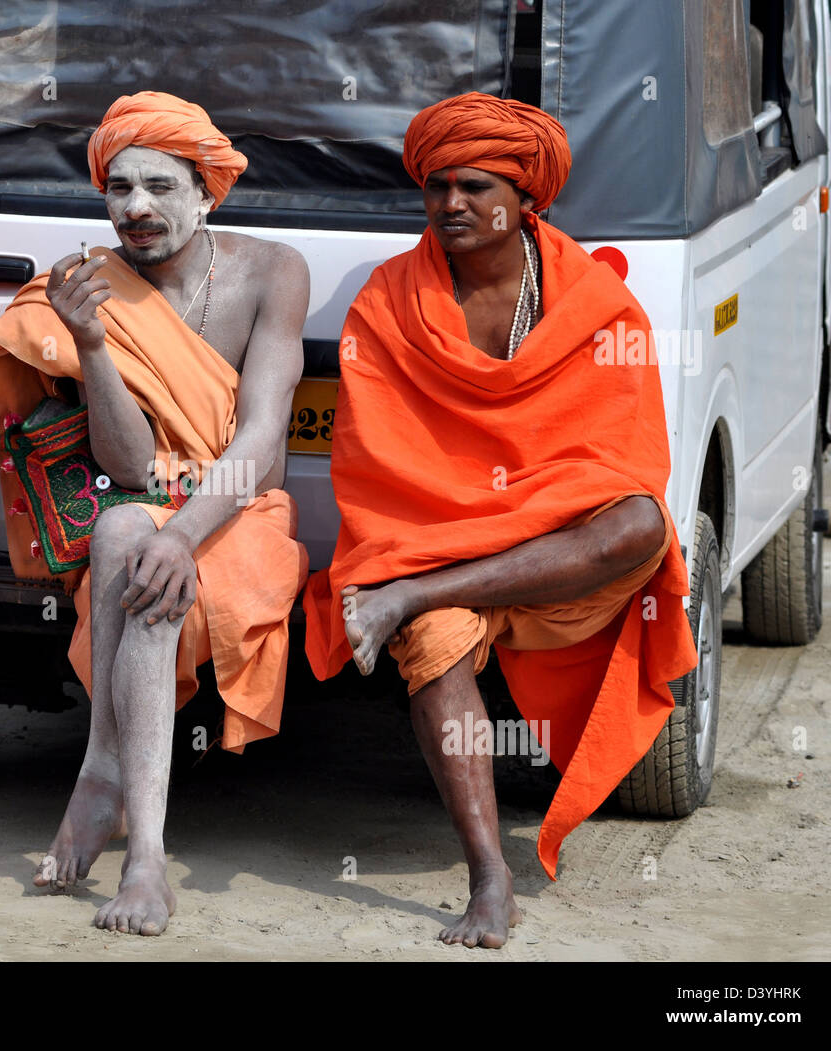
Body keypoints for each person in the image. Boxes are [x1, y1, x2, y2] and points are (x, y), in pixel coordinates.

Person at [303, 93, 697, 949]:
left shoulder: (596, 303)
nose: (451, 203)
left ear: (526, 199)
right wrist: (452, 549)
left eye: (474, 185)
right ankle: (490, 875)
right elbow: (381, 470)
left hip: (560, 558)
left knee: (641, 524)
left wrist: (503, 535)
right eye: (436, 185)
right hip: (437, 543)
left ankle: (415, 596)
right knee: (439, 635)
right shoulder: (388, 303)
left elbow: (625, 466)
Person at [0, 91, 309, 936]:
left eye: (161, 186)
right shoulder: (91, 289)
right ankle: (145, 854)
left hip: (239, 508)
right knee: (127, 530)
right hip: (142, 500)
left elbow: (265, 442)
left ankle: (105, 783)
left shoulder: (274, 270)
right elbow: (126, 468)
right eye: (119, 187)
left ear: (206, 193)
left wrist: (188, 535)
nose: (136, 208)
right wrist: (89, 343)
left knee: (148, 550)